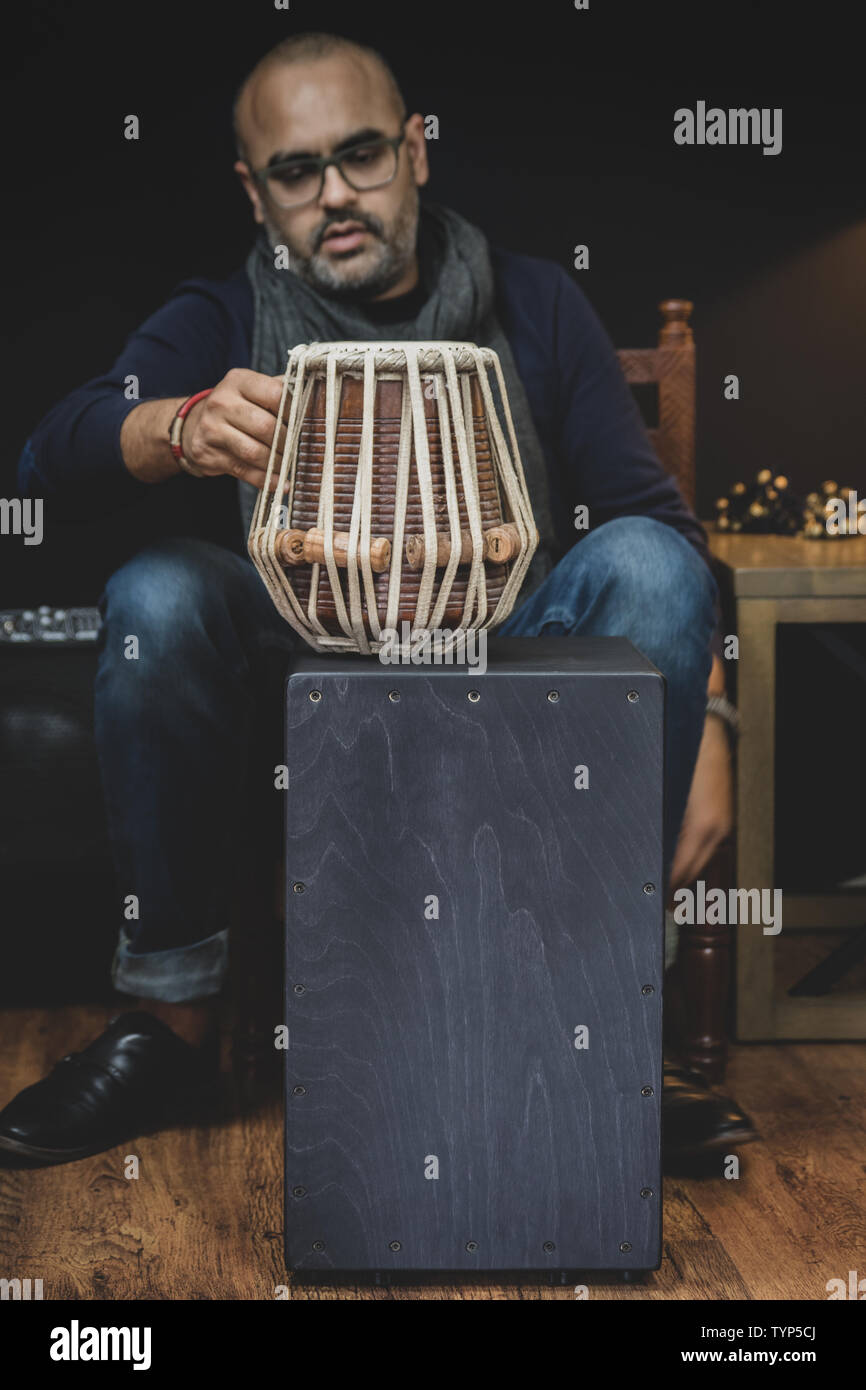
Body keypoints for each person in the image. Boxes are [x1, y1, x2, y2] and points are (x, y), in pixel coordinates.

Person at [2, 31, 753, 1171]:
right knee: (158, 589)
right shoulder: (220, 313)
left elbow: (665, 534)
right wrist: (178, 423)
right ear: (255, 195)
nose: (335, 195)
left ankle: (575, 1027)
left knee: (647, 563)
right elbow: (51, 454)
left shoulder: (535, 304)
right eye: (296, 172)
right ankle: (173, 1026)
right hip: (305, 698)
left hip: (510, 682)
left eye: (360, 155)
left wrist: (709, 724)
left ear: (415, 151)